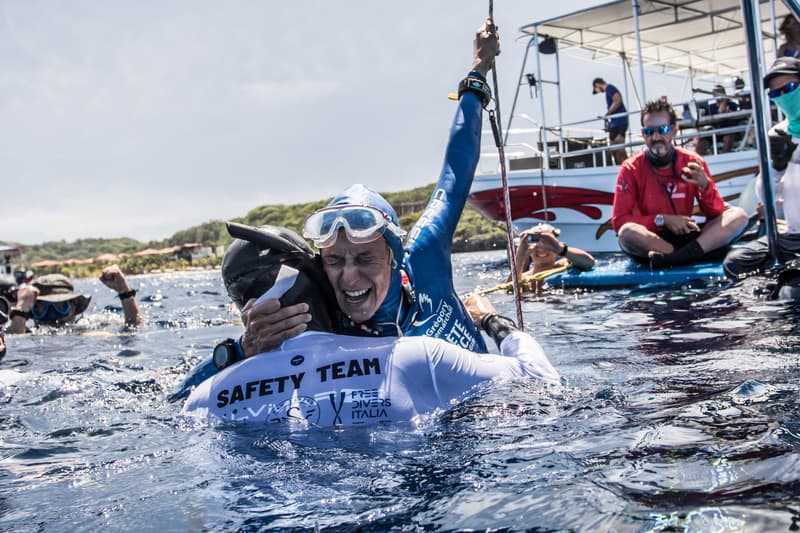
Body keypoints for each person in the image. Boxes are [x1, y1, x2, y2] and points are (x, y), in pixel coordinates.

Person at [239, 19, 500, 357]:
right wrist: (244, 349)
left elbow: (456, 170)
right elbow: (186, 396)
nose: (349, 277)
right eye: (334, 260)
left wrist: (478, 69)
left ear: (394, 256)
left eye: (364, 257)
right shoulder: (316, 318)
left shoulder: (425, 256)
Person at [181, 224, 558, 427]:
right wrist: (494, 322)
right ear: (315, 280)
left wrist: (239, 353)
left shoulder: (204, 398)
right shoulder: (411, 358)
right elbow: (540, 380)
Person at [612, 98, 749, 269]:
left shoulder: (693, 161)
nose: (656, 137)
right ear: (643, 134)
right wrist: (662, 220)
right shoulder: (630, 168)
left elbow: (715, 213)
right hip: (653, 239)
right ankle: (689, 255)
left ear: (674, 130)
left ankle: (677, 258)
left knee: (739, 215)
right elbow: (619, 222)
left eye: (662, 130)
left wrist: (705, 187)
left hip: (688, 237)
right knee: (627, 233)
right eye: (649, 131)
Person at [724, 57, 800, 280]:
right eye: (775, 94)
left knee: (791, 291)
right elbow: (766, 197)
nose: (783, 97)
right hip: (793, 236)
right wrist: (776, 168)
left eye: (790, 88)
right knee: (734, 264)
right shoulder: (777, 135)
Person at [5, 265, 143, 333]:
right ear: (31, 312)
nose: (52, 317)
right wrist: (21, 309)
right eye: (42, 309)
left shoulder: (87, 330)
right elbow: (15, 342)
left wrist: (125, 292)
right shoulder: (27, 333)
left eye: (60, 308)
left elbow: (133, 329)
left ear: (75, 307)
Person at [511, 223, 595, 293]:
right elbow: (510, 292)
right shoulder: (524, 278)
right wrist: (521, 254)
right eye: (536, 241)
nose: (541, 247)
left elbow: (589, 263)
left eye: (547, 242)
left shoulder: (564, 265)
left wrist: (560, 248)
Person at [592, 77, 629, 164]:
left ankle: (627, 167)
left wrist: (608, 114)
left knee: (619, 148)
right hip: (615, 123)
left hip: (620, 121)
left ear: (597, 85)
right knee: (614, 148)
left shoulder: (609, 88)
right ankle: (619, 166)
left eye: (596, 89)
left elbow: (617, 100)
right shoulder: (609, 90)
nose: (598, 92)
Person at [697, 84, 741, 154]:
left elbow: (721, 111)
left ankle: (724, 156)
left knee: (728, 138)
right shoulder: (711, 107)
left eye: (719, 92)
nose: (717, 94)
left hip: (729, 130)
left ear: (724, 93)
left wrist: (725, 100)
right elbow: (705, 121)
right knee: (702, 142)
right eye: (715, 93)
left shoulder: (732, 105)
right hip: (716, 131)